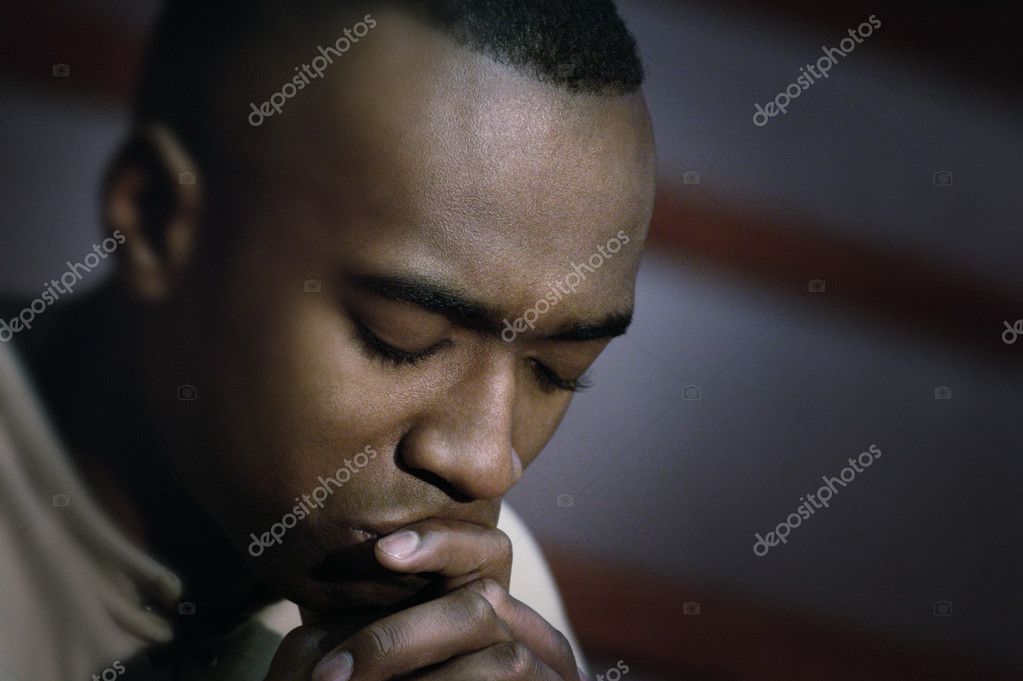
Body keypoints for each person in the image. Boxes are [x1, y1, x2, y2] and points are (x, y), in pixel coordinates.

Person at [0, 1, 655, 679]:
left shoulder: (492, 617)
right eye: (400, 338)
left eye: (559, 370)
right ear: (157, 219)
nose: (488, 464)